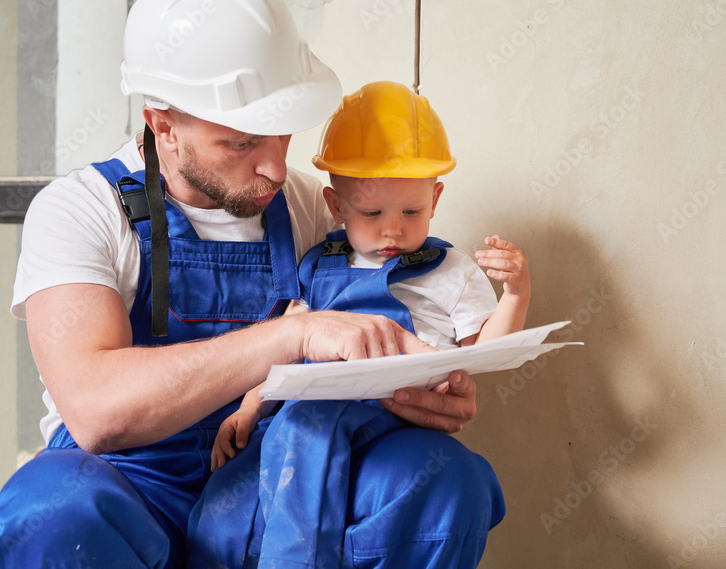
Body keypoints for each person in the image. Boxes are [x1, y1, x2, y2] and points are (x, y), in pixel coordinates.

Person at [0, 2, 502, 568]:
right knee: (50, 514)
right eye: (243, 143)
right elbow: (97, 410)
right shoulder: (80, 210)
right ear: (165, 127)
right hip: (132, 484)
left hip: (276, 478)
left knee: (444, 478)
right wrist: (291, 337)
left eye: (282, 135)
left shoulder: (312, 205)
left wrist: (419, 386)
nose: (276, 168)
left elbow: (369, 338)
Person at [198, 82, 526, 569]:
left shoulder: (448, 269)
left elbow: (487, 352)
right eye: (372, 213)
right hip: (304, 405)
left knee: (304, 432)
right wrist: (249, 408)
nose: (392, 229)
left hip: (393, 413)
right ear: (336, 207)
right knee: (224, 505)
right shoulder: (316, 264)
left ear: (435, 198)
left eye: (411, 211)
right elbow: (285, 351)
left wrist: (516, 292)